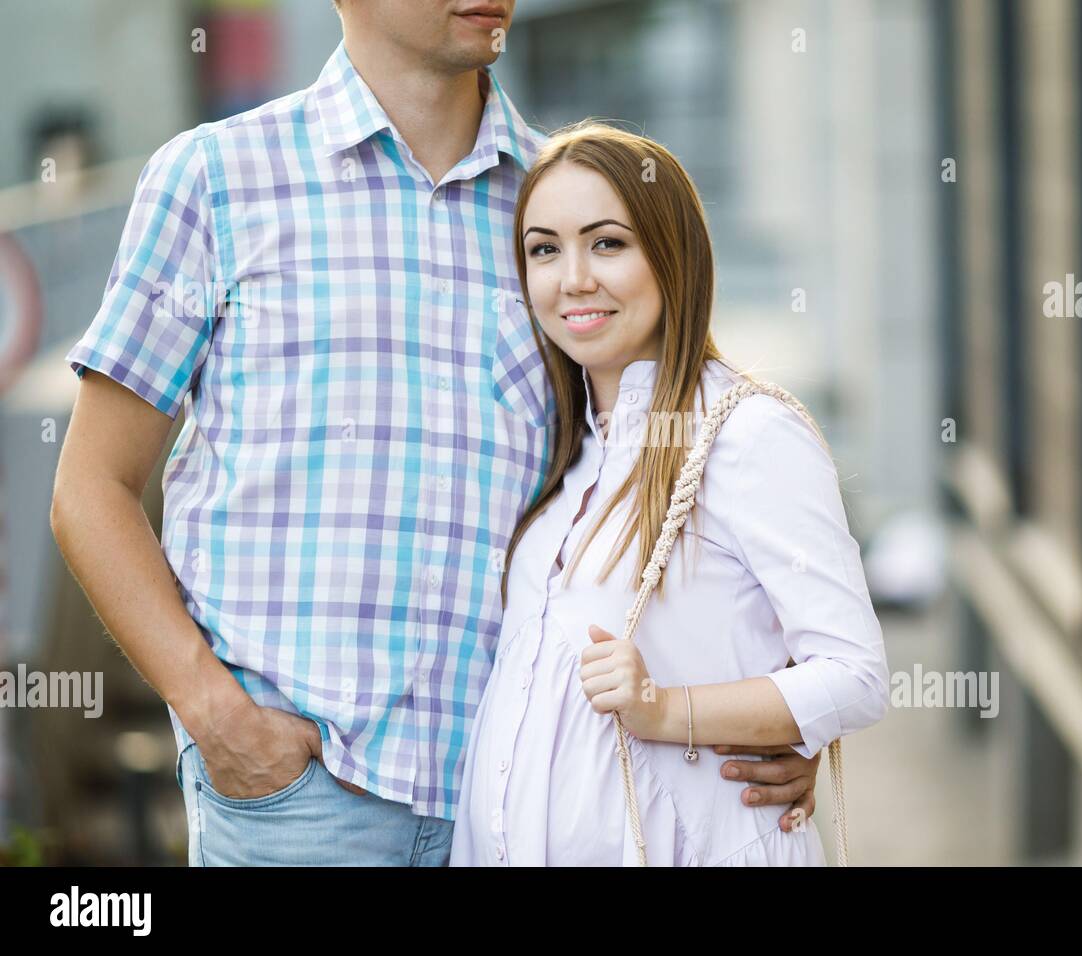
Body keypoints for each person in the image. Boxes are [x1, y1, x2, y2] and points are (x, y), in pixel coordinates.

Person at [49, 0, 822, 866]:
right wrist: (218, 720)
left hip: (538, 806)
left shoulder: (563, 211)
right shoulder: (216, 180)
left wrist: (772, 716)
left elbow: (674, 467)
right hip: (299, 803)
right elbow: (92, 489)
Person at [450, 122, 889, 866]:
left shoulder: (746, 434)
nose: (573, 278)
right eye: (545, 249)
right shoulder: (566, 453)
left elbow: (855, 677)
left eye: (607, 243)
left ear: (671, 252)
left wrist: (666, 710)